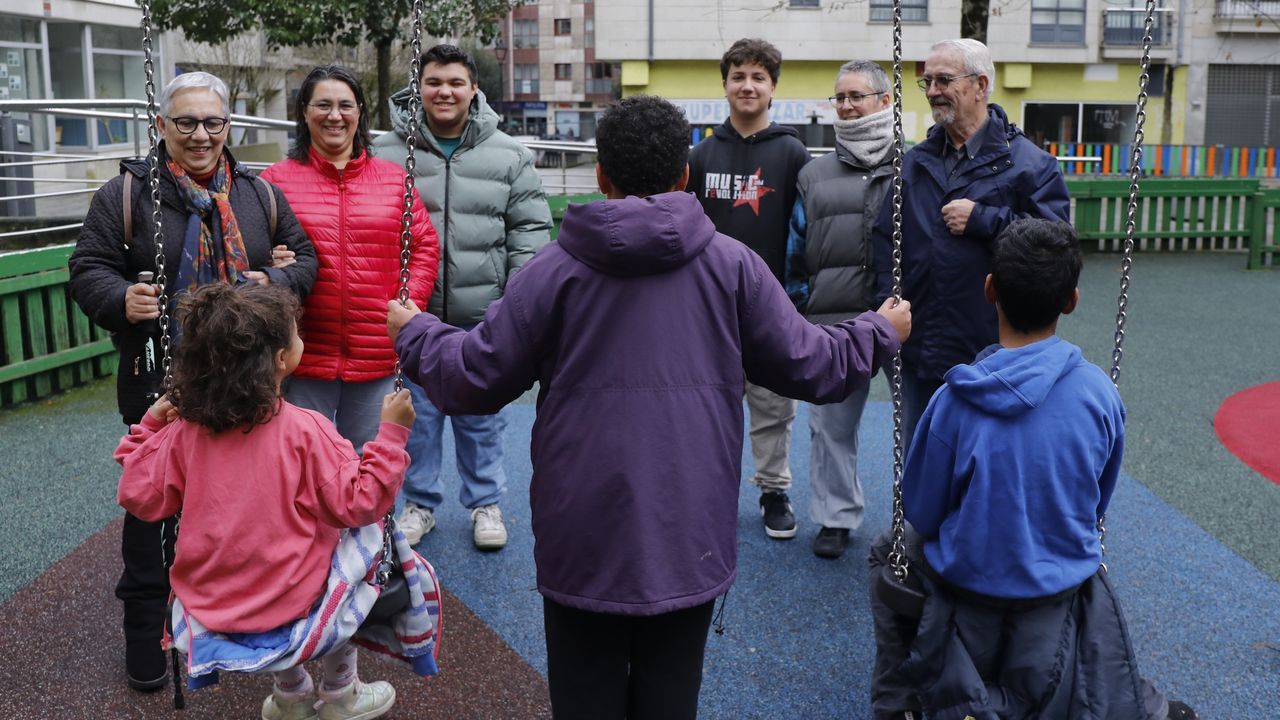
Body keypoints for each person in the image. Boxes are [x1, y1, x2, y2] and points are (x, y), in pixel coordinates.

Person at [387, 95, 911, 720]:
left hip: (581, 525)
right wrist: (879, 331)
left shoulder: (553, 272)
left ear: (601, 176)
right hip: (686, 522)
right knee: (669, 694)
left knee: (584, 694)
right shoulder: (731, 266)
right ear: (685, 175)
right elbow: (815, 364)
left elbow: (475, 375)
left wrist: (415, 331)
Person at [868, 219, 1197, 720]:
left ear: (989, 289)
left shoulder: (954, 402)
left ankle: (898, 698)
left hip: (969, 582)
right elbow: (1097, 502)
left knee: (885, 551)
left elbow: (924, 511)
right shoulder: (1098, 394)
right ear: (1072, 301)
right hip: (1060, 583)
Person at [67, 71, 317, 692]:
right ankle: (147, 639)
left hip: (247, 383)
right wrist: (121, 297)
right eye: (186, 122)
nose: (201, 135)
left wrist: (276, 282)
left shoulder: (258, 196)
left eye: (213, 122)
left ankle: (246, 623)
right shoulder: (128, 196)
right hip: (161, 378)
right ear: (162, 126)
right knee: (152, 506)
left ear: (228, 126)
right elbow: (86, 267)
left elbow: (305, 258)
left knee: (244, 503)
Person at [114, 283, 415, 720]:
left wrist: (149, 424)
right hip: (294, 598)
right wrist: (391, 434)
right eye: (296, 334)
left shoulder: (183, 433)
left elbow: (137, 492)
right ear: (281, 359)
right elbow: (362, 502)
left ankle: (292, 696)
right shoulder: (306, 430)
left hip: (213, 601)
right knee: (359, 542)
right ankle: (341, 692)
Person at [372, 43, 552, 551]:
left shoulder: (510, 155)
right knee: (418, 418)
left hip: (481, 317)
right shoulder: (388, 152)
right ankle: (420, 504)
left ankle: (485, 503)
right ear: (418, 88)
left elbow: (530, 234)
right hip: (412, 314)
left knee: (481, 420)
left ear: (474, 89)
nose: (444, 91)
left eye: (455, 82)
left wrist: (511, 307)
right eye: (433, 82)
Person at [872, 38, 1070, 449]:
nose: (931, 92)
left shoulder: (1030, 165)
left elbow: (1057, 245)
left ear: (980, 85)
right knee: (923, 459)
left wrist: (984, 219)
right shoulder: (914, 164)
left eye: (943, 80)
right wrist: (886, 302)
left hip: (997, 351)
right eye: (927, 82)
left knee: (989, 458)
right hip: (923, 346)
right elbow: (884, 237)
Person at [260, 64, 438, 452]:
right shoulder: (276, 180)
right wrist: (270, 260)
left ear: (360, 112)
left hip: (376, 350)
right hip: (303, 352)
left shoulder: (393, 179)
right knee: (305, 461)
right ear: (304, 113)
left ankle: (372, 519)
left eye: (345, 105)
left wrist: (410, 300)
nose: (335, 116)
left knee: (370, 463)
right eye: (323, 105)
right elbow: (253, 251)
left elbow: (423, 245)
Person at [687, 37, 812, 541]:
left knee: (772, 408)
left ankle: (773, 490)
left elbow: (803, 233)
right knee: (704, 407)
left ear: (773, 87)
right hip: (707, 309)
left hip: (771, 306)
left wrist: (797, 300)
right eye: (738, 76)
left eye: (758, 77)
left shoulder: (793, 152)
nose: (747, 85)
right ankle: (703, 490)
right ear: (724, 84)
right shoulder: (699, 154)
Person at [784, 59, 894, 559]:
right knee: (830, 426)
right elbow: (795, 247)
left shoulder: (915, 167)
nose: (847, 107)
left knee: (917, 424)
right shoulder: (815, 172)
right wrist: (801, 306)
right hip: (833, 319)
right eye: (840, 98)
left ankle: (916, 519)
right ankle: (835, 517)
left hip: (903, 317)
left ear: (885, 102)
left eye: (857, 97)